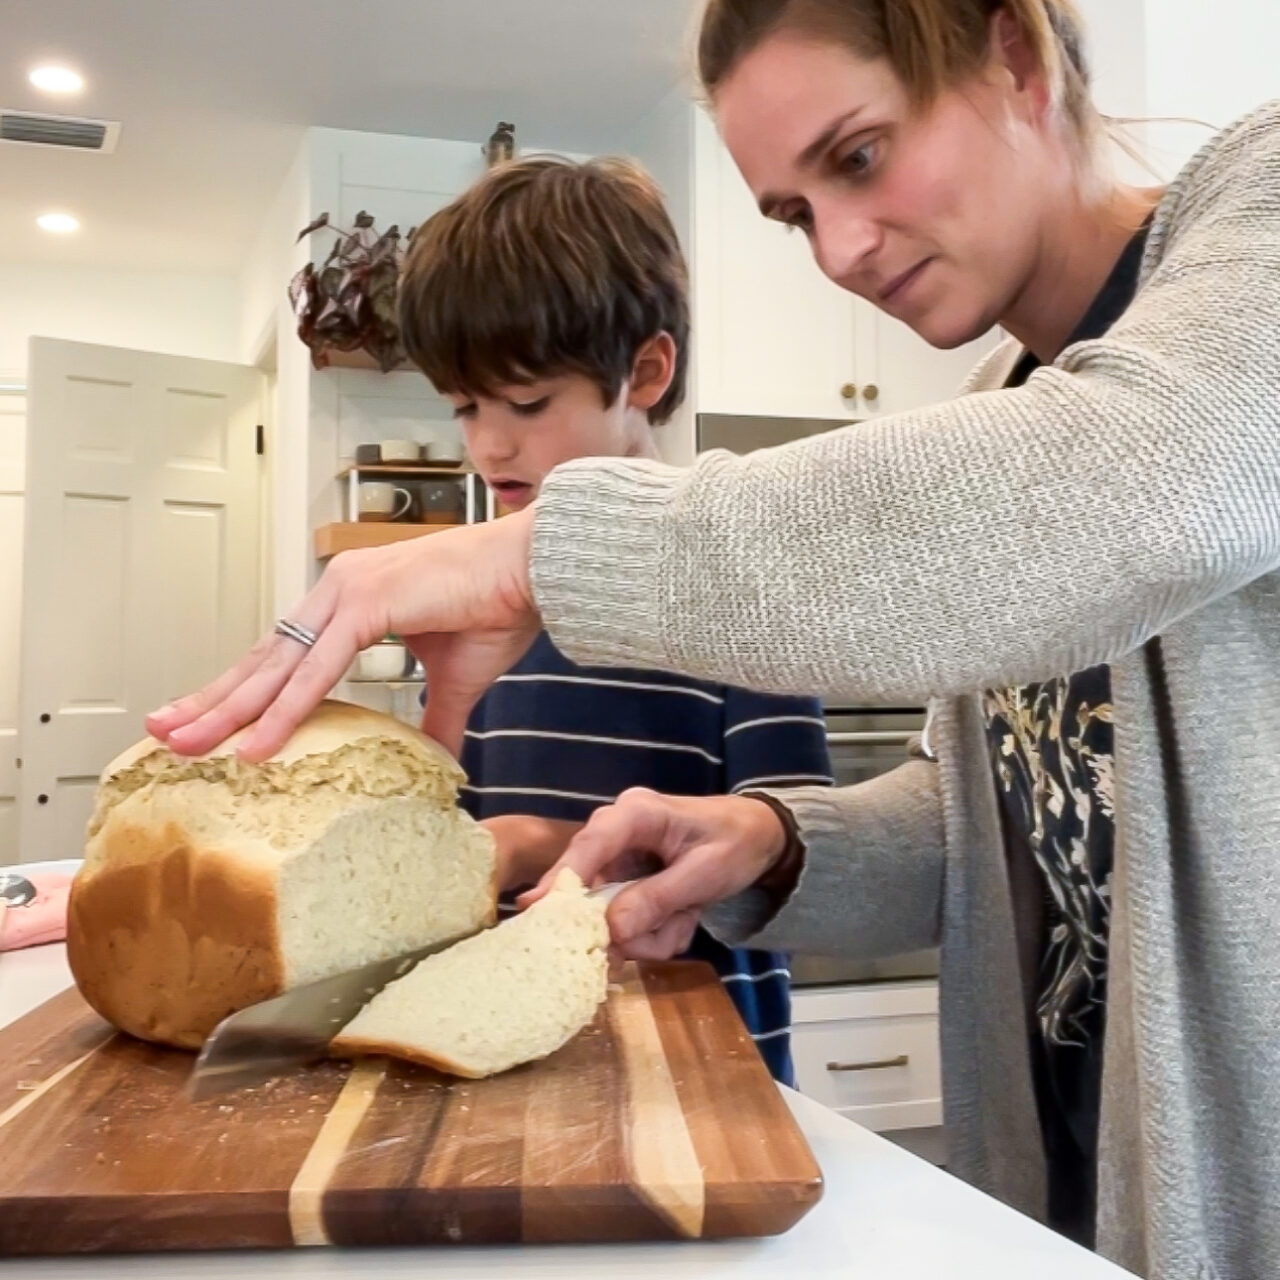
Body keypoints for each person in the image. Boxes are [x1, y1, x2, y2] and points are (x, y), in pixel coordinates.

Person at [146, 2, 1280, 1277]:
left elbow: (1150, 482)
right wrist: (775, 841)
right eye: (792, 214)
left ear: (1014, 57)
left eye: (855, 157)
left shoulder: (1259, 201)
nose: (839, 250)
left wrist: (528, 553)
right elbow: (1000, 836)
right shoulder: (995, 405)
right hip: (1078, 1189)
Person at [397, 154, 833, 1083]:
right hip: (522, 1051)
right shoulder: (481, 605)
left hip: (705, 1070)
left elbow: (796, 864)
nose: (487, 444)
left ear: (644, 372)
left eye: (524, 402)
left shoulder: (737, 583)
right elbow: (454, 834)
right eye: (463, 406)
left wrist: (544, 845)